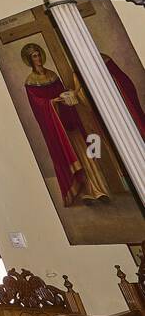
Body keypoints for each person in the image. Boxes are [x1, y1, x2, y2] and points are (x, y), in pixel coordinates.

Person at [21, 43, 110, 205]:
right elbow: (38, 105)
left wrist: (66, 97)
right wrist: (52, 102)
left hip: (69, 119)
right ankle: (85, 193)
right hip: (56, 125)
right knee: (71, 157)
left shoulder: (53, 75)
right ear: (29, 59)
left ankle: (98, 190)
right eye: (34, 56)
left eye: (39, 54)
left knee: (85, 154)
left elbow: (62, 92)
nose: (38, 58)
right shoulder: (30, 82)